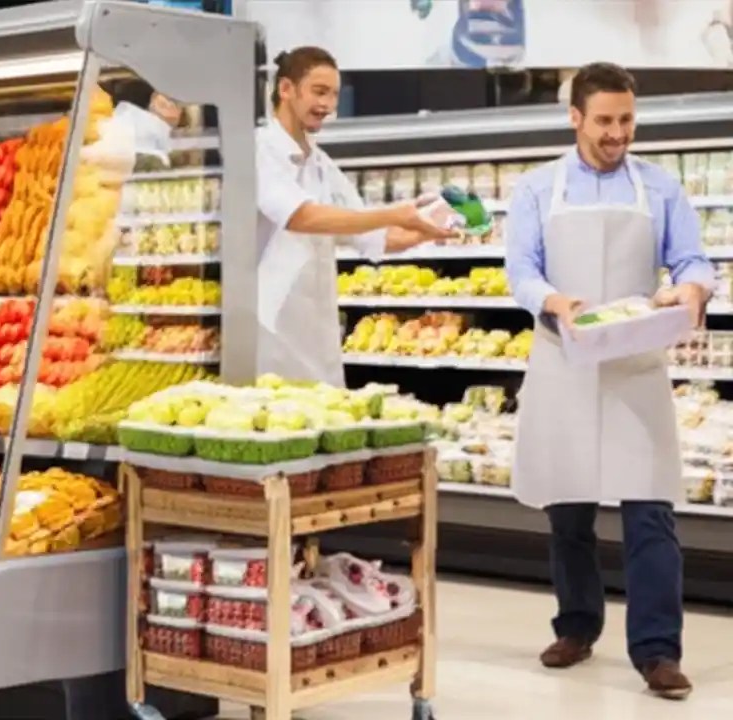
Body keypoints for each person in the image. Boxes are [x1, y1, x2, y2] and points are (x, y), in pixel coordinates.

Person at [504, 62, 714, 701]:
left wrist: (692, 286)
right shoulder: (538, 189)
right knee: (568, 509)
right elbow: (520, 268)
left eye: (626, 119)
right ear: (575, 118)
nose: (617, 132)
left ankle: (657, 651)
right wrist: (558, 302)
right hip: (564, 359)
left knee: (651, 510)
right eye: (604, 121)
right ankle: (576, 625)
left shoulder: (661, 188)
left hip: (634, 365)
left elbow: (692, 257)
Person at [257, 46, 454, 385]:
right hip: (270, 333)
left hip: (318, 337)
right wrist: (393, 213)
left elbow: (374, 236)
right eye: (319, 92)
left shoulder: (321, 164)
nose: (328, 105)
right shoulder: (259, 149)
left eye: (334, 95)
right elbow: (301, 217)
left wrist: (428, 228)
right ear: (286, 89)